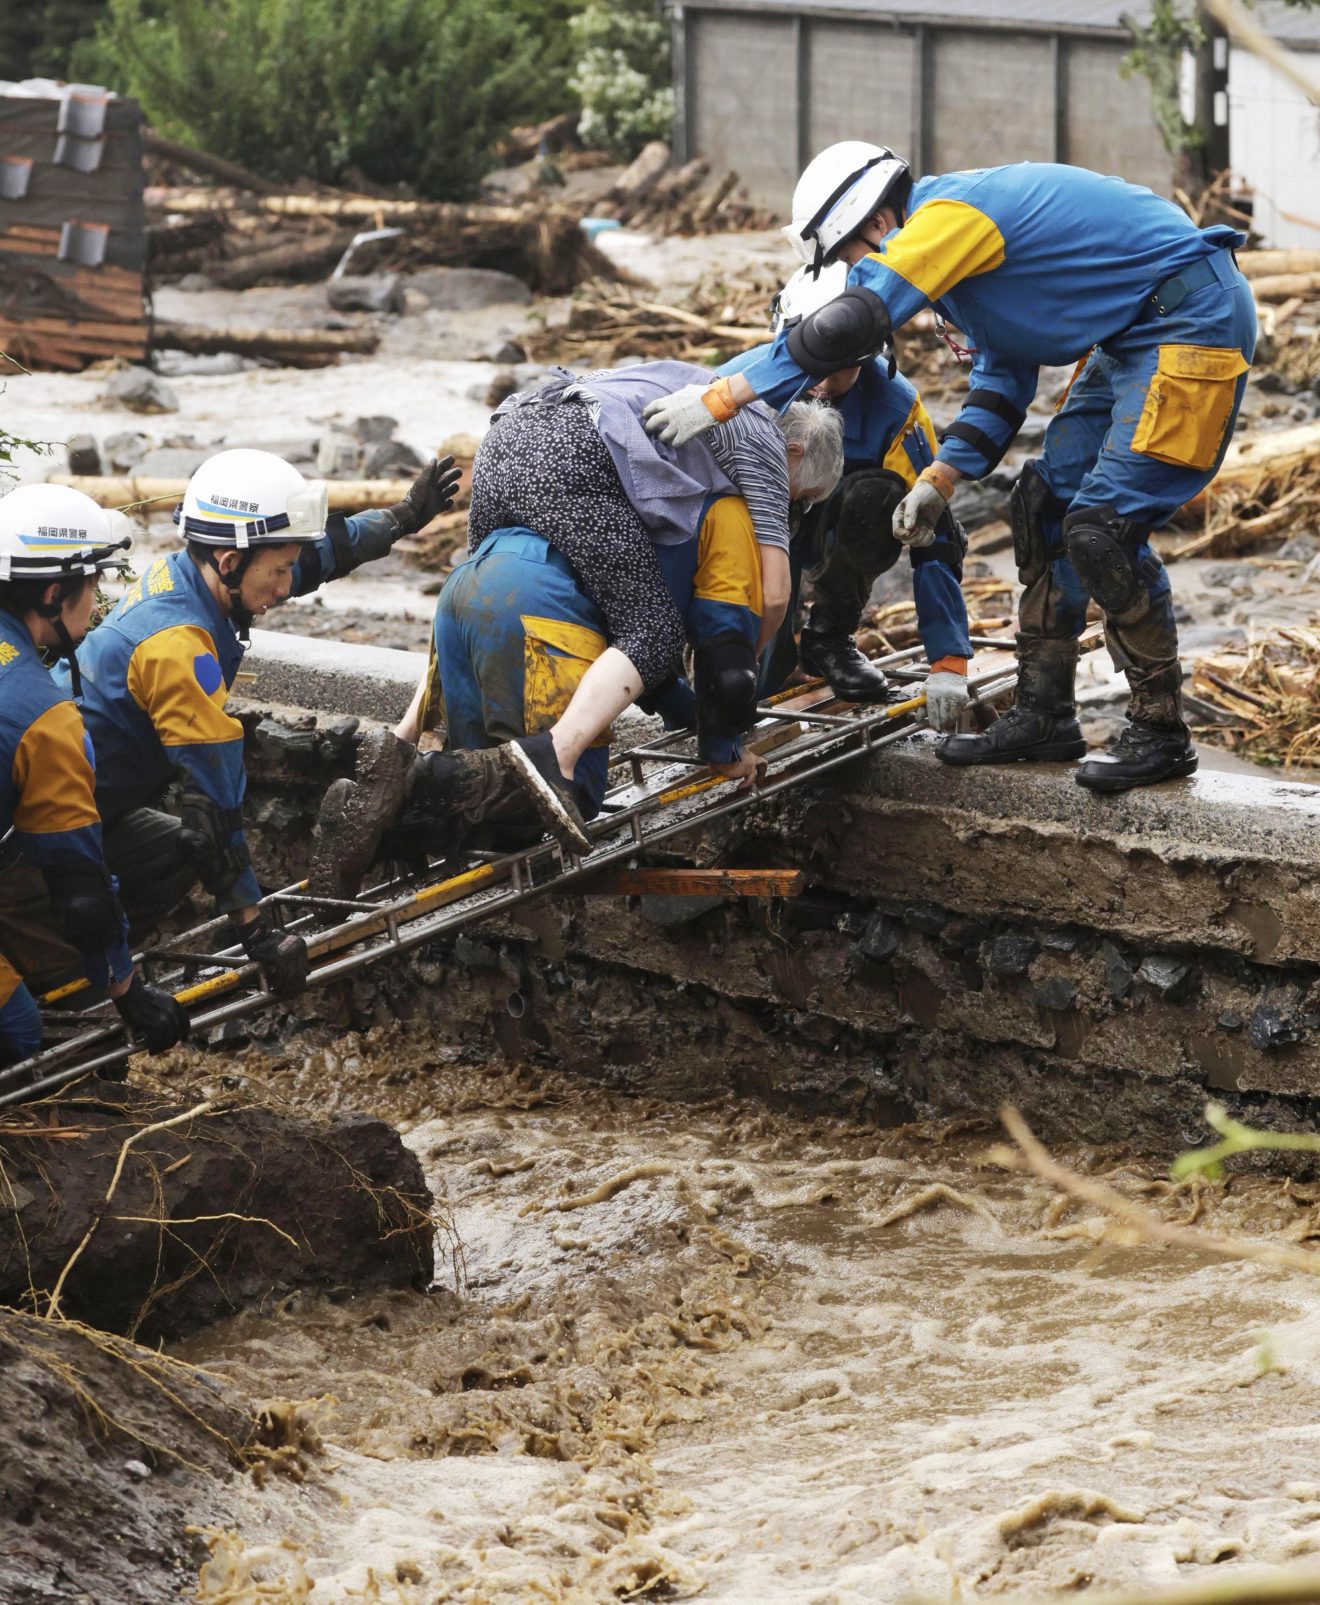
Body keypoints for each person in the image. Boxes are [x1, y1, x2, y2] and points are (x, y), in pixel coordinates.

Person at [642, 144, 1257, 791]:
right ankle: (1045, 712)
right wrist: (940, 479)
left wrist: (722, 396)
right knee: (1043, 505)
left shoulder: (951, 216)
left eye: (853, 256)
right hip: (1131, 334)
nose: (858, 271)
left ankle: (1161, 730)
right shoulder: (967, 273)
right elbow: (1003, 382)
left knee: (1103, 529)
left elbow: (854, 320)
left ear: (879, 223)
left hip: (1190, 320)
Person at [314, 398, 844, 891]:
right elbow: (722, 638)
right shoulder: (729, 507)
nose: (789, 513)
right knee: (566, 794)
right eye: (799, 500)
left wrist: (695, 718)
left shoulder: (650, 464)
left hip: (467, 589)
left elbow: (645, 664)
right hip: (539, 605)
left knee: (494, 820)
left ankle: (377, 820)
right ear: (784, 458)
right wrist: (726, 749)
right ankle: (413, 781)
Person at [0, 448, 459, 1000]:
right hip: (35, 836)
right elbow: (213, 811)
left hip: (103, 804)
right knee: (62, 988)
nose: (287, 587)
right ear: (229, 561)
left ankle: (89, 955)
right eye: (279, 572)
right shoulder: (178, 647)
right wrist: (257, 933)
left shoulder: (190, 573)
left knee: (169, 849)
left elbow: (312, 557)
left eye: (287, 567)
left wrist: (400, 519)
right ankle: (75, 982)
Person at [722, 263, 972, 728]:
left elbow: (934, 534)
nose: (820, 382)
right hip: (750, 523)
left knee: (878, 497)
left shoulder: (896, 407)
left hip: (835, 522)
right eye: (808, 361)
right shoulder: (738, 385)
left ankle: (829, 637)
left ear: (870, 356)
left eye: (837, 368)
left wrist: (949, 660)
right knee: (756, 679)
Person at [0, 485, 189, 1065]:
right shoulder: (43, 715)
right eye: (94, 582)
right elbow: (79, 891)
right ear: (54, 593)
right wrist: (128, 993)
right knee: (19, 1036)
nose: (99, 596)